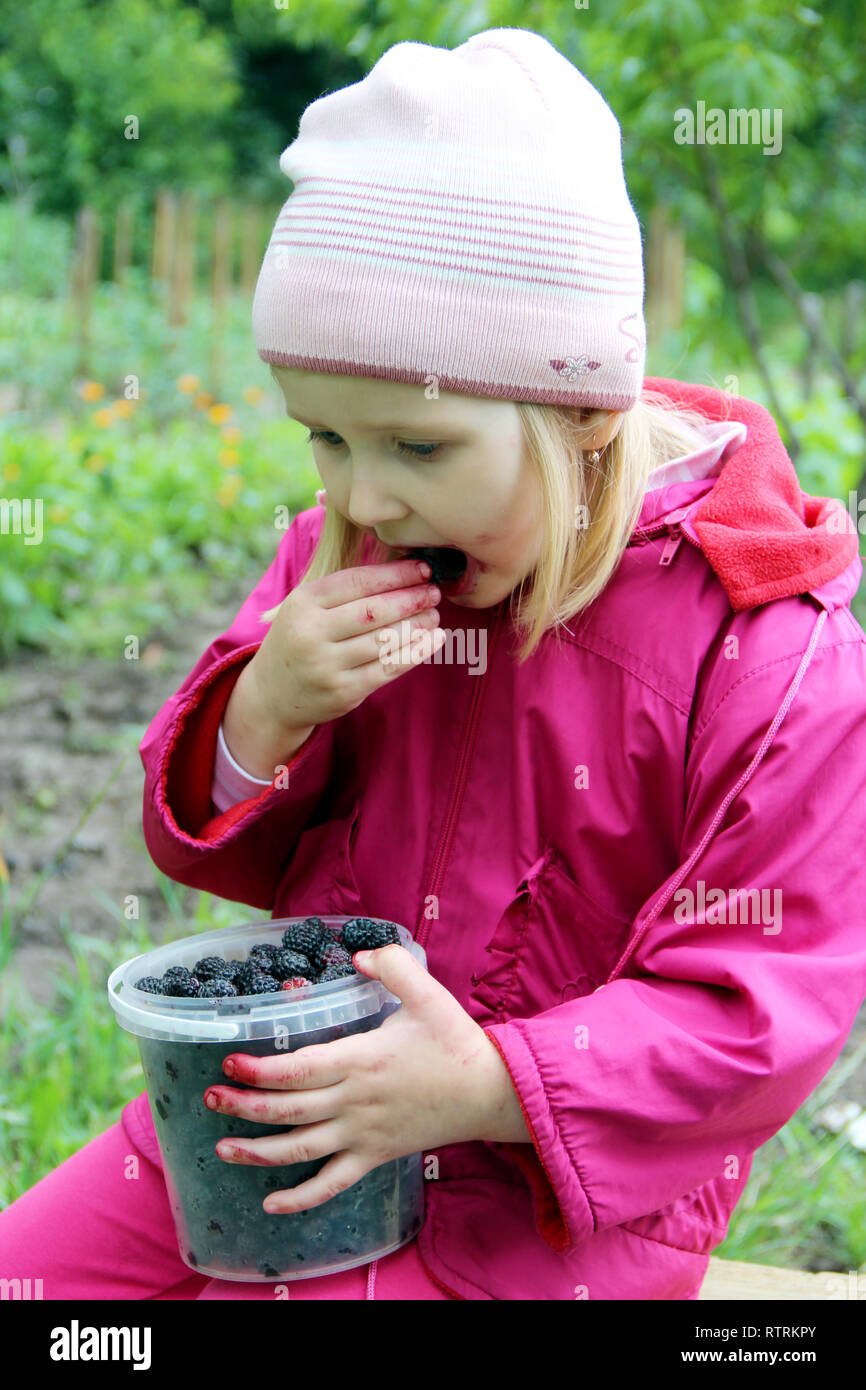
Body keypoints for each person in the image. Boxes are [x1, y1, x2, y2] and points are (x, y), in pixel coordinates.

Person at [3, 26, 866, 1302]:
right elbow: (196, 831)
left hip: (544, 1199)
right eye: (324, 438)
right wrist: (268, 703)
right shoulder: (340, 555)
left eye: (414, 446)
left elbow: (758, 1006)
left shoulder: (763, 654)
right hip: (284, 1099)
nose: (363, 494)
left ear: (581, 411)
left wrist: (483, 1083)